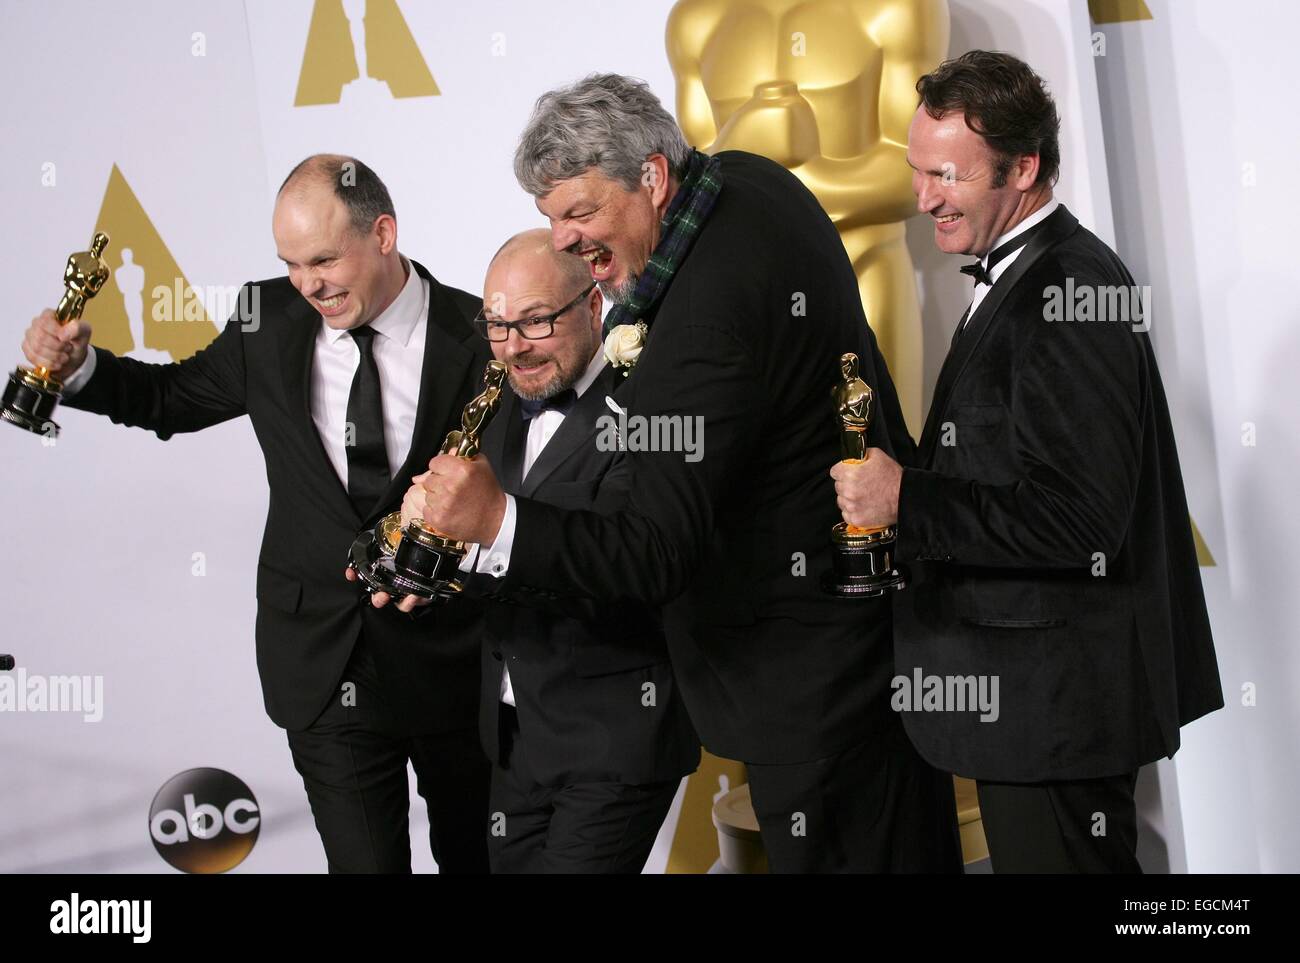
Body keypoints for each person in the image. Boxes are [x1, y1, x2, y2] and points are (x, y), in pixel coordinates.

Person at [410, 74, 961, 873]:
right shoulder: (751, 181)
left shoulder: (699, 325)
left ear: (653, 178)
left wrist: (498, 521)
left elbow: (655, 550)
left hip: (806, 687)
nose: (562, 240)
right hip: (872, 639)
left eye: (579, 212)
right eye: (550, 217)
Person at [19, 154, 491, 873]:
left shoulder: (479, 330)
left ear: (383, 234)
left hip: (452, 660)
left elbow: (522, 485)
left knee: (480, 861)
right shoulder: (266, 318)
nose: (308, 284)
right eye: (291, 264)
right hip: (322, 661)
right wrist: (79, 369)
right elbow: (172, 399)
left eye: (324, 260)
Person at [830, 51, 1224, 872]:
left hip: (1054, 713)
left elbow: (1081, 521)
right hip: (1033, 708)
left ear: (1024, 168)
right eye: (918, 171)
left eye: (948, 176)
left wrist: (909, 500)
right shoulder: (1027, 275)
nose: (924, 197)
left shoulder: (1069, 289)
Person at [386, 229, 699, 872]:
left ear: (593, 304)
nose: (512, 347)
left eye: (535, 321)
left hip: (612, 741)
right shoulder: (500, 399)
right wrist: (430, 560)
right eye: (497, 325)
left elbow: (640, 563)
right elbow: (499, 552)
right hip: (512, 740)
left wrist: (492, 523)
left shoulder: (652, 408)